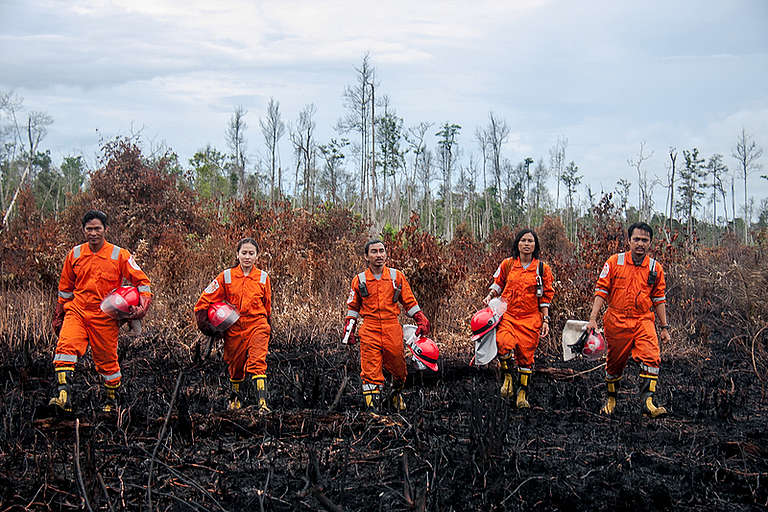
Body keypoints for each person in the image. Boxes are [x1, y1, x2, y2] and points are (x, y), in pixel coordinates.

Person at [50, 210, 153, 413]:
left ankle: (111, 402)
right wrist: (59, 314)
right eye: (89, 229)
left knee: (107, 361)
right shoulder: (75, 254)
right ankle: (63, 397)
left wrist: (142, 307)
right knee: (65, 347)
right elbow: (64, 289)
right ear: (83, 230)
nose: (93, 233)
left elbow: (143, 282)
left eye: (98, 228)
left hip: (105, 315)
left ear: (106, 229)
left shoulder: (119, 254)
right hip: (77, 311)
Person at [585, 222, 670, 418]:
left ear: (650, 243)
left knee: (651, 356)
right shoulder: (614, 262)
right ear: (629, 240)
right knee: (614, 363)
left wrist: (664, 327)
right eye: (636, 239)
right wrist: (593, 319)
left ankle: (648, 402)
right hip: (616, 321)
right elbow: (601, 291)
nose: (640, 244)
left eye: (645, 240)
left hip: (643, 321)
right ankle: (611, 399)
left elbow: (659, 298)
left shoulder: (655, 268)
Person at [343, 240, 430, 412]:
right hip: (369, 329)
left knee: (399, 369)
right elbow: (353, 308)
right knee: (370, 371)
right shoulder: (359, 280)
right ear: (366, 257)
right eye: (374, 252)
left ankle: (396, 395)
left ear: (386, 254)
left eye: (381, 251)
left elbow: (409, 301)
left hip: (392, 327)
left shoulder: (396, 277)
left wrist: (420, 318)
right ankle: (373, 410)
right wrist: (349, 329)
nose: (379, 255)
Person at [194, 238, 272, 412]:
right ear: (237, 255)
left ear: (257, 256)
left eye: (251, 253)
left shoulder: (263, 277)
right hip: (234, 328)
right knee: (235, 366)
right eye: (244, 253)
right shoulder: (226, 276)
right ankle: (235, 400)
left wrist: (268, 326)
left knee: (257, 361)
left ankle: (262, 405)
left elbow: (268, 306)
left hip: (257, 325)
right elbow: (204, 300)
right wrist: (207, 325)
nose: (247, 257)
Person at [483, 228, 554, 408]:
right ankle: (507, 377)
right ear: (517, 243)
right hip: (508, 315)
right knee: (503, 343)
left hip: (531, 319)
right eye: (523, 240)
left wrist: (546, 320)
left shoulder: (542, 269)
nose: (527, 244)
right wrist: (490, 296)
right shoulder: (507, 264)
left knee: (526, 356)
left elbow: (546, 297)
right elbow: (498, 283)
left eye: (530, 241)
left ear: (535, 245)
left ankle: (522, 393)